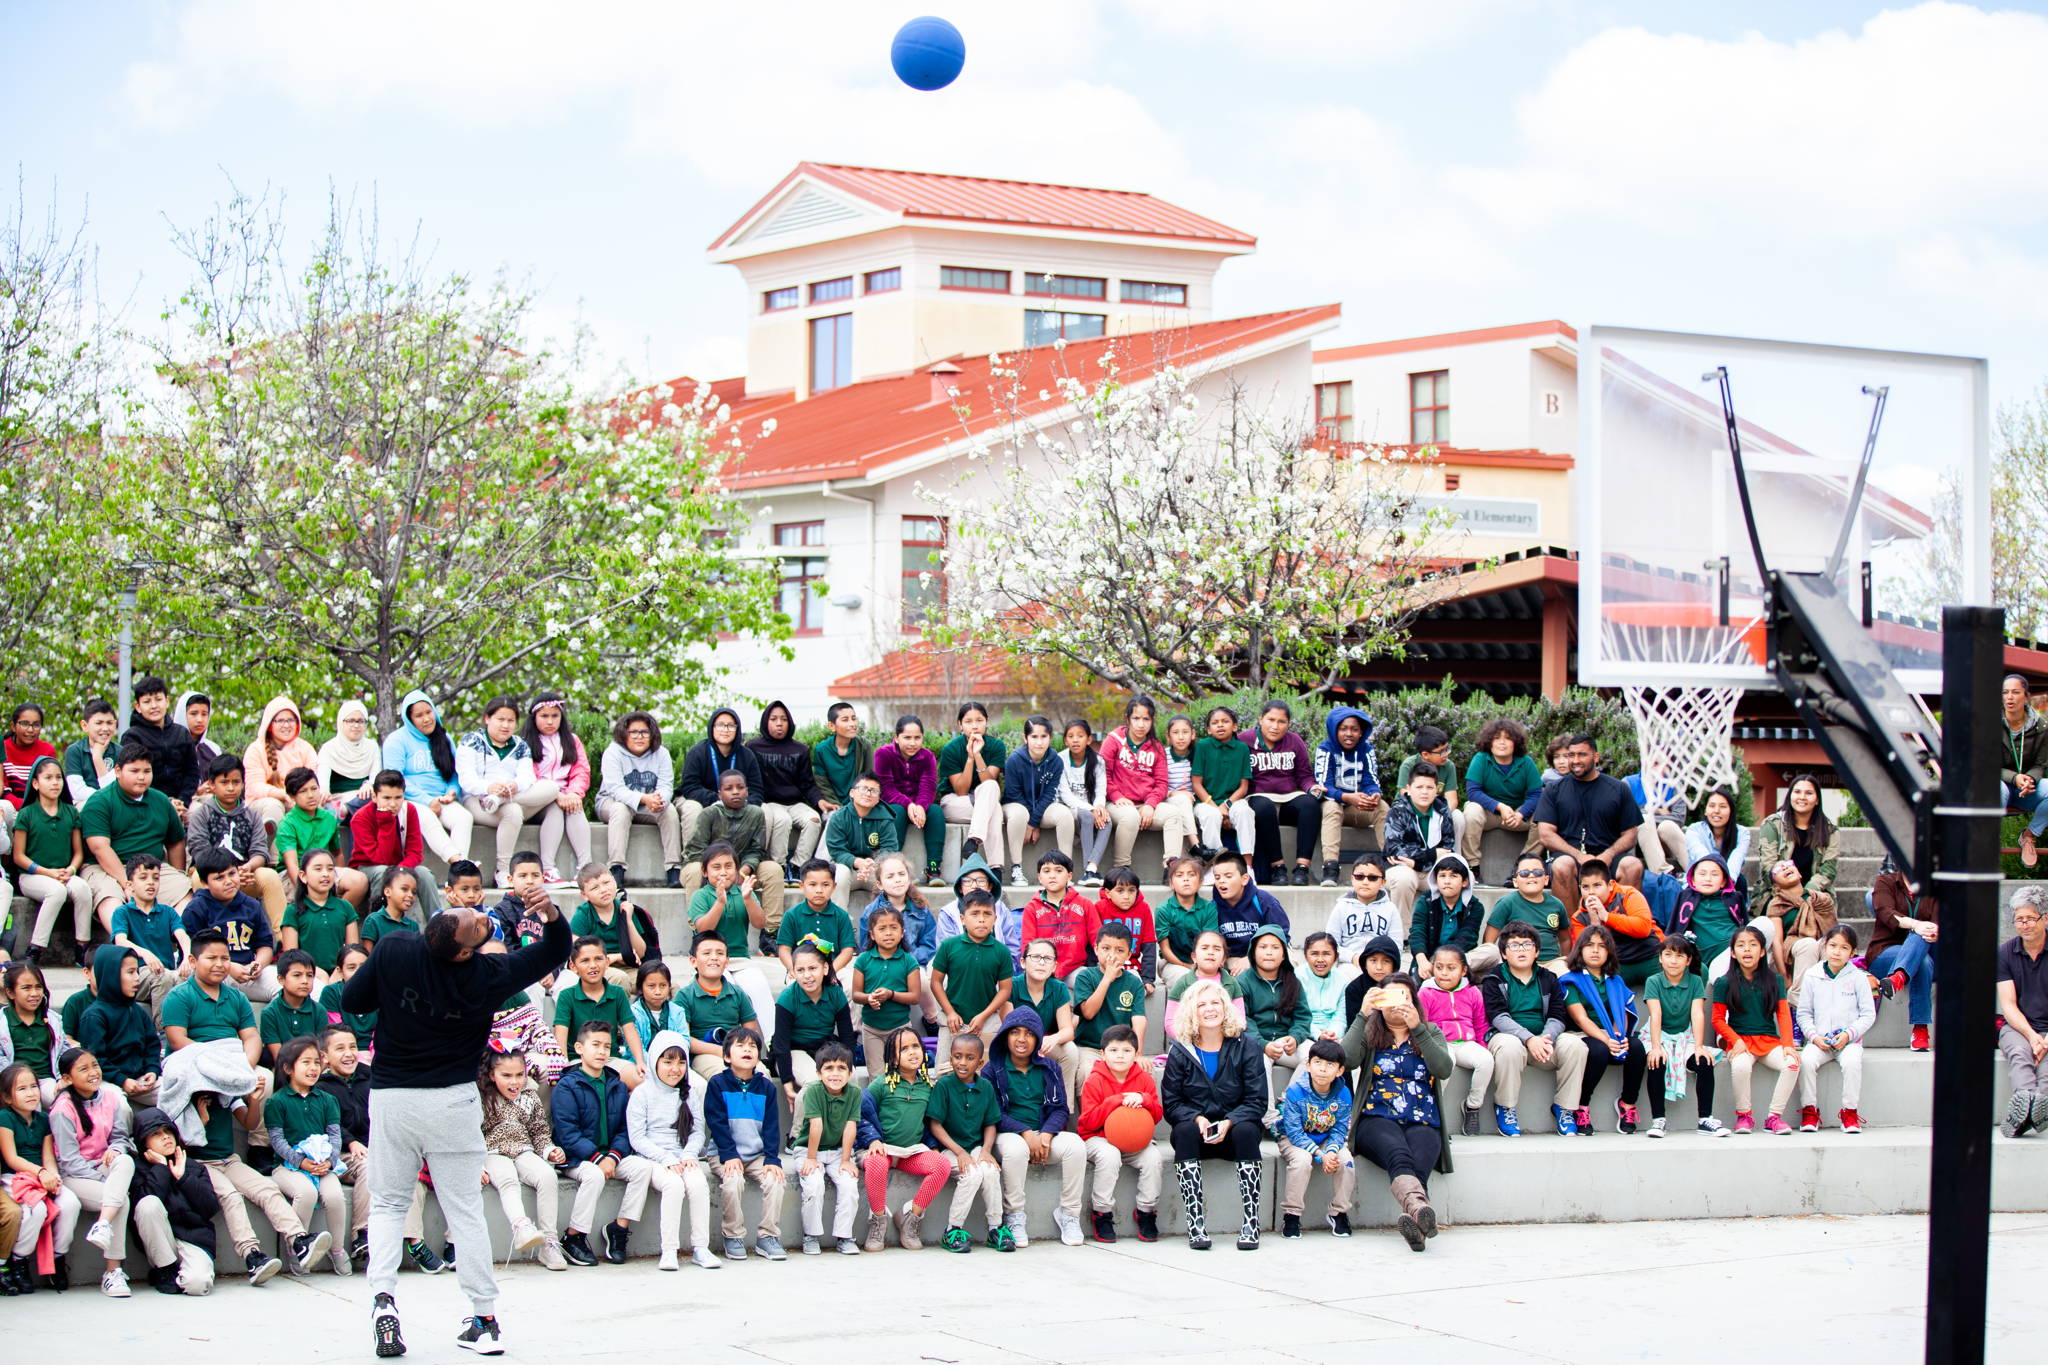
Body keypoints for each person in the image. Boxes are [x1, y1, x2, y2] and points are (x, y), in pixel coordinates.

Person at [338, 872, 570, 1358]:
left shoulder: (395, 948)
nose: (477, 913)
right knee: (463, 1208)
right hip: (451, 1100)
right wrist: (549, 913)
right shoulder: (487, 976)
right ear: (465, 950)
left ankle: (383, 1302)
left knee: (387, 1204)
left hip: (394, 1096)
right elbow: (552, 951)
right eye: (474, 921)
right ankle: (484, 1318)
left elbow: (353, 1001)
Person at [1339, 971, 1451, 1251]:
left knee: (1420, 1161)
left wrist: (1419, 1029)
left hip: (1423, 1118)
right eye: (1389, 997)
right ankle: (1419, 1209)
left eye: (1403, 996)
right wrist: (1362, 1015)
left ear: (1413, 1001)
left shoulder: (1430, 1031)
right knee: (1399, 1154)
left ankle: (1415, 1218)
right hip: (1376, 1117)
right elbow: (1347, 1060)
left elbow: (1443, 1068)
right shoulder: (1370, 1031)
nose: (1396, 1004)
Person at [187, 1078, 329, 1286]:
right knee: (230, 1196)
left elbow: (250, 1123)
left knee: (267, 1188)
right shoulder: (186, 1093)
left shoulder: (227, 1093)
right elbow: (179, 1141)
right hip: (202, 1163)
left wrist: (253, 1101)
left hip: (229, 1160)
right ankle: (251, 1255)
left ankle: (299, 1240)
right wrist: (201, 1121)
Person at [1161, 978, 1266, 1251]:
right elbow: (1171, 1104)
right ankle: (1196, 1224)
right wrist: (1198, 1119)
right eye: (1202, 1004)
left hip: (1235, 1131)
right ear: (1191, 1011)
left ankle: (1250, 1223)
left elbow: (1257, 1100)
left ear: (1226, 1007)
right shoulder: (1181, 1051)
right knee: (1182, 1131)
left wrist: (1230, 1121)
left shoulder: (1247, 1046)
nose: (1210, 1009)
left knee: (1247, 1130)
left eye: (1215, 1002)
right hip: (1198, 1133)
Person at [550, 1019, 651, 1266]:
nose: (602, 1051)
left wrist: (613, 1156)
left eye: (607, 1046)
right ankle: (573, 1236)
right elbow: (567, 1134)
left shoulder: (616, 1084)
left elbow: (625, 1130)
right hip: (576, 1158)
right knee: (594, 1175)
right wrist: (597, 1159)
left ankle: (618, 1228)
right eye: (595, 1045)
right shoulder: (567, 1086)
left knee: (643, 1169)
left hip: (610, 1156)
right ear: (579, 1048)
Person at [985, 1004, 1086, 1248]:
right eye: (1015, 1032)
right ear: (1005, 1036)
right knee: (1016, 1149)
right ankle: (1015, 1216)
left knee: (1075, 1146)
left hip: (1043, 1136)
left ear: (1038, 1039)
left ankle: (1069, 1214)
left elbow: (1061, 1108)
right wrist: (1026, 1133)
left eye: (1029, 1034)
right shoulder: (993, 1070)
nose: (1022, 1039)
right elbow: (994, 1113)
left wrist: (1047, 1135)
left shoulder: (1050, 1067)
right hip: (1008, 1136)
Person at [1480, 922, 1588, 1137]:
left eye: (1527, 944)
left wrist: (1543, 1039)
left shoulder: (1549, 978)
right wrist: (1530, 1039)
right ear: (1503, 953)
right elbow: (1498, 1017)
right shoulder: (1494, 978)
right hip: (1511, 1041)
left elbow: (1558, 1016)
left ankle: (1565, 1108)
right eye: (1514, 945)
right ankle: (1506, 1107)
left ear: (1537, 951)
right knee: (1509, 1046)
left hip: (1544, 1043)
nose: (1521, 950)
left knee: (1576, 1045)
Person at [623, 1031, 716, 1271]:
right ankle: (669, 1250)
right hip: (653, 1158)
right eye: (667, 1062)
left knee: (697, 1184)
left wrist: (688, 1155)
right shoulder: (642, 1093)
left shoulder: (689, 1093)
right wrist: (665, 1158)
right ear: (654, 1061)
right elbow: (637, 1137)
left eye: (681, 1062)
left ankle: (700, 1248)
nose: (675, 1068)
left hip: (682, 1157)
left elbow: (697, 1132)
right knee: (673, 1185)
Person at [48, 1045, 135, 1296]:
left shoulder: (110, 1097)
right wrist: (105, 1182)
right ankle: (113, 1273)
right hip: (76, 1176)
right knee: (121, 1201)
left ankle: (102, 1226)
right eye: (83, 1069)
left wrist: (116, 1150)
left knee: (125, 1161)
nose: (93, 1072)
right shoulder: (62, 1109)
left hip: (106, 1167)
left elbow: (120, 1137)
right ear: (67, 1078)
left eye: (95, 1065)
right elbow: (69, 1161)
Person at [80, 743, 193, 934]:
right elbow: (99, 847)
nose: (141, 777)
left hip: (151, 865)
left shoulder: (161, 801)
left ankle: (179, 942)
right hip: (105, 868)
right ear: (118, 771)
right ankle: (127, 944)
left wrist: (178, 872)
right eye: (134, 771)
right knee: (109, 898)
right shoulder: (100, 801)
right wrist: (127, 883)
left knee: (182, 890)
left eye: (146, 771)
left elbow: (175, 842)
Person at [476, 1047, 571, 1272]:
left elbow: (539, 1131)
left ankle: (548, 1243)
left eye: (520, 1075)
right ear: (491, 1075)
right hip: (493, 1152)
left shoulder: (529, 1097)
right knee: (507, 1179)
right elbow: (473, 1134)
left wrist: (549, 1151)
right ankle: (521, 1227)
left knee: (547, 1175)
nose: (515, 1082)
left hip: (523, 1150)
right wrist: (477, 1165)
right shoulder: (483, 1098)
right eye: (506, 1076)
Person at [857, 1023, 950, 1252]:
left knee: (942, 1165)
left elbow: (931, 1122)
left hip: (911, 1151)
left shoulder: (928, 1086)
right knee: (876, 1164)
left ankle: (911, 1217)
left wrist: (933, 1146)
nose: (912, 1052)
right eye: (904, 1049)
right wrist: (873, 1140)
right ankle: (878, 1220)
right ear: (893, 1058)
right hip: (883, 1148)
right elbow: (861, 1114)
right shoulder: (882, 1083)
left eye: (915, 1046)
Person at [265, 1034, 351, 1274]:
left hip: (323, 1164)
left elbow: (335, 1135)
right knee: (306, 1192)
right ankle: (297, 1248)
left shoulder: (327, 1100)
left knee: (334, 1196)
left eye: (316, 1062)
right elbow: (278, 1141)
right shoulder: (277, 1102)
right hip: (288, 1166)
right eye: (306, 1062)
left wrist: (330, 1161)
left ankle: (337, 1250)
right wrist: (301, 1162)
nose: (313, 1068)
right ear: (288, 1068)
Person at [703, 1024, 787, 1260]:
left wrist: (772, 1158)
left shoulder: (767, 1088)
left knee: (775, 1180)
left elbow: (772, 1127)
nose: (747, 1049)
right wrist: (729, 1155)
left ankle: (768, 1236)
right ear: (727, 1056)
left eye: (752, 1046)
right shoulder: (717, 1084)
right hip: (724, 1153)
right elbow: (716, 1123)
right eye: (740, 1046)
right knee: (732, 1182)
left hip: (757, 1155)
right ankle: (733, 1235)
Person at [454, 696, 557, 888]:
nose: (505, 725)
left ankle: (499, 799)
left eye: (510, 721)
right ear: (487, 718)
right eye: (500, 719)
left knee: (551, 788)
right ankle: (503, 871)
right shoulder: (471, 741)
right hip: (478, 802)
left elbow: (527, 777)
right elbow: (466, 780)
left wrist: (513, 786)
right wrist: (488, 787)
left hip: (509, 798)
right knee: (514, 812)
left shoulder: (520, 745)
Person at [1074, 1024, 1163, 1243]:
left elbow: (1157, 1115)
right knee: (1109, 1155)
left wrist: (1145, 1100)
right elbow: (1087, 1120)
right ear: (1103, 1054)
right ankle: (1102, 1213)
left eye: (1126, 1051)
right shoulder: (1094, 1080)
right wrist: (1114, 1102)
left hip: (1134, 1141)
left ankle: (1146, 1211)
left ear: (1136, 1054)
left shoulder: (1144, 1080)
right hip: (1098, 1139)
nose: (1120, 1056)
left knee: (1153, 1158)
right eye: (1114, 1051)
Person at [923, 1030, 1007, 1253]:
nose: (962, 1062)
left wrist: (987, 1151)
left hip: (977, 1146)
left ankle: (996, 1228)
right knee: (972, 1175)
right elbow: (935, 1125)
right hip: (950, 1147)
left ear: (980, 1063)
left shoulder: (986, 1087)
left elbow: (991, 1123)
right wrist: (960, 1152)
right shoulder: (944, 1085)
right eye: (958, 1056)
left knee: (989, 1171)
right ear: (950, 1059)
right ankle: (953, 1229)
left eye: (970, 1058)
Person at [186, 754, 288, 936]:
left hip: (245, 874)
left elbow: (260, 851)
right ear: (211, 784)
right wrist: (227, 874)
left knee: (270, 876)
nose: (231, 788)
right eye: (224, 782)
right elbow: (199, 851)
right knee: (196, 879)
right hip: (210, 876)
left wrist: (246, 868)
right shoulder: (202, 814)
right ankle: (205, 937)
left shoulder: (252, 815)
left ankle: (282, 940)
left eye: (236, 782)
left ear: (243, 783)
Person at [1750, 774, 1840, 980]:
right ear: (1790, 795)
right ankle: (1785, 973)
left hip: (1813, 894)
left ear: (1817, 799)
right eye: (1797, 792)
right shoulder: (1773, 824)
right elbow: (1768, 867)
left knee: (1817, 917)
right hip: (1776, 892)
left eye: (1809, 793)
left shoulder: (1830, 830)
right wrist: (1788, 891)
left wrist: (1805, 895)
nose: (1802, 797)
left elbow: (1828, 870)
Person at [1559, 924, 1646, 1135]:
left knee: (1636, 1047)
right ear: (1579, 949)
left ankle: (1627, 1104)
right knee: (1597, 1050)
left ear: (1609, 952)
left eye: (1601, 946)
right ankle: (1582, 1106)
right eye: (1589, 945)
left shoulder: (1615, 981)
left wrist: (1619, 1037)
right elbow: (1580, 1018)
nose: (1595, 950)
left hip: (1612, 1035)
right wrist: (1606, 1040)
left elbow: (1622, 1011)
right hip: (1583, 1035)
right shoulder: (1571, 980)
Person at [128, 1104, 223, 1295]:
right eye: (156, 1134)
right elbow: (144, 1207)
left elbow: (210, 1208)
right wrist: (161, 1168)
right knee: (148, 1204)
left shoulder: (192, 1166)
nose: (165, 1137)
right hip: (161, 1241)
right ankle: (165, 1270)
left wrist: (183, 1178)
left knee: (197, 1285)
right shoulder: (137, 1169)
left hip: (194, 1239)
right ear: (143, 1142)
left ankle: (177, 1274)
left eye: (168, 1131)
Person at [1532, 733, 1640, 901]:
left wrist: (1608, 855)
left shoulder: (1619, 789)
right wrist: (1579, 856)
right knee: (1561, 865)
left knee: (1633, 865)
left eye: (1582, 754)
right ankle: (1570, 927)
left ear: (1596, 757)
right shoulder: (1554, 790)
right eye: (1571, 755)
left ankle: (1621, 925)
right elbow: (1546, 835)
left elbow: (1631, 835)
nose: (1575, 760)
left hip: (1608, 857)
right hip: (1570, 857)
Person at [1714, 925, 1799, 1135]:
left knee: (1792, 1064)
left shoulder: (1776, 980)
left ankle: (1774, 1117)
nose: (1747, 950)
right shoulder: (1724, 982)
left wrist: (1788, 1044)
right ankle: (1744, 1116)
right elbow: (1717, 1019)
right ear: (1733, 952)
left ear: (1762, 951)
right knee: (1741, 1066)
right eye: (1741, 945)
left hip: (1769, 1041)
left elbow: (1783, 1014)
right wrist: (1736, 1041)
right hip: (1740, 1042)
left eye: (1753, 945)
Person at [683, 772, 787, 945]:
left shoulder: (755, 813)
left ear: (747, 791)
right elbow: (695, 850)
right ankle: (698, 932)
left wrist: (744, 869)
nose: (735, 792)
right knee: (694, 870)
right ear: (719, 794)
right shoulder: (709, 814)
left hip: (741, 868)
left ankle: (770, 933)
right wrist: (716, 870)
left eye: (740, 788)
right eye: (729, 788)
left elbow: (757, 849)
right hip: (708, 868)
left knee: (773, 870)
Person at [1642, 936, 1725, 1138]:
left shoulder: (1695, 981)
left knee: (1704, 1061)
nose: (1673, 960)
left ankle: (1705, 1119)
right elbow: (1656, 1014)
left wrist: (1698, 1046)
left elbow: (1697, 1013)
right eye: (1668, 955)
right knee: (1657, 1060)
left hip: (1684, 1036)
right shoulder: (1653, 981)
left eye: (1679, 956)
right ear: (1660, 958)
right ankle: (1658, 1120)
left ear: (1688, 960)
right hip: (1657, 1033)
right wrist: (1655, 1046)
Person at [380, 689, 474, 868]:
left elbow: (454, 774)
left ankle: (457, 876)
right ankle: (459, 865)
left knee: (464, 818)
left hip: (442, 798)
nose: (426, 719)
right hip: (410, 800)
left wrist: (451, 792)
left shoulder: (444, 737)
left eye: (429, 712)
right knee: (426, 817)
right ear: (409, 719)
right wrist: (427, 800)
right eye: (419, 715)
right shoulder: (396, 741)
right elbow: (394, 780)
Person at [1795, 924, 1875, 1133]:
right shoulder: (1812, 975)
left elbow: (1868, 1014)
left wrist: (1848, 1035)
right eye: (1832, 945)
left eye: (1844, 947)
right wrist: (1814, 1037)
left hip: (1848, 1042)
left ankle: (1849, 1113)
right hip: (1820, 1041)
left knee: (1851, 1063)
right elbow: (1803, 1013)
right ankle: (1810, 1111)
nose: (1837, 952)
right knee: (1806, 1060)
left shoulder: (1858, 977)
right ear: (1824, 946)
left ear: (1853, 952)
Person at [793, 1039, 870, 1256]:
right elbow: (815, 1126)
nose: (835, 1074)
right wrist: (810, 1158)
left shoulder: (854, 1093)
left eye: (841, 1068)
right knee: (814, 1184)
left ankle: (845, 1237)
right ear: (818, 1073)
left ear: (850, 1072)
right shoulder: (814, 1091)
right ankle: (811, 1236)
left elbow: (850, 1127)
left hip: (838, 1151)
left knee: (849, 1185)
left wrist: (846, 1160)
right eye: (828, 1068)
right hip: (809, 1149)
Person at [1276, 1038, 1354, 1239]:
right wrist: (1320, 1156)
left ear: (1339, 1071)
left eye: (1330, 1065)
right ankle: (1292, 1214)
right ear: (1307, 1065)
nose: (1322, 1069)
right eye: (1318, 1062)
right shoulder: (1296, 1091)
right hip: (1294, 1140)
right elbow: (1294, 1132)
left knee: (1346, 1161)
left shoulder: (1343, 1093)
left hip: (1327, 1138)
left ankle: (1339, 1212)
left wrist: (1331, 1151)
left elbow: (1339, 1128)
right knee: (1302, 1161)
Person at [13, 756, 88, 962]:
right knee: (56, 891)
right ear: (35, 783)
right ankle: (35, 949)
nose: (55, 782)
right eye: (48, 778)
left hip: (64, 873)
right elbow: (18, 856)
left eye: (58, 777)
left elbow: (78, 853)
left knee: (82, 889)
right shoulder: (26, 814)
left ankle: (82, 948)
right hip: (32, 876)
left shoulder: (71, 812)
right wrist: (48, 873)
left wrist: (71, 870)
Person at [596, 710, 682, 890]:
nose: (639, 736)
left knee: (669, 810)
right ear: (623, 733)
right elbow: (615, 788)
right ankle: (616, 868)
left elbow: (666, 785)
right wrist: (643, 798)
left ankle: (674, 868)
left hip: (648, 805)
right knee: (620, 809)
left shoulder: (662, 754)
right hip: (610, 802)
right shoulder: (613, 753)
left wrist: (660, 800)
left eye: (644, 732)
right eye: (633, 732)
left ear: (652, 734)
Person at [180, 849, 279, 1003]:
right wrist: (229, 967)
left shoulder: (251, 905)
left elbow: (264, 945)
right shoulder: (196, 908)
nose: (228, 881)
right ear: (205, 883)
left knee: (287, 984)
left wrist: (258, 964)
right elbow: (195, 954)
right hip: (213, 973)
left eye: (232, 873)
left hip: (247, 972)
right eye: (219, 878)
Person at [159, 928, 262, 1071]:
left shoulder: (238, 997)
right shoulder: (179, 996)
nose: (219, 964)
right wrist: (215, 1060)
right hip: (193, 1060)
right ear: (192, 961)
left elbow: (251, 1037)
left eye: (225, 959)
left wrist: (247, 1066)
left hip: (233, 1059)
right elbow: (177, 1040)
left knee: (266, 1079)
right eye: (211, 958)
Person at [1241, 700, 1319, 887]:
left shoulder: (1294, 741)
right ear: (1261, 719)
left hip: (1288, 797)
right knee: (1263, 806)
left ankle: (1302, 868)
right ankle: (1278, 867)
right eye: (1271, 720)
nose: (1275, 726)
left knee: (1310, 805)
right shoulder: (1244, 740)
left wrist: (1312, 788)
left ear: (1288, 724)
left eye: (1281, 722)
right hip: (1258, 797)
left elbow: (1304, 775)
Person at [348, 769, 443, 918]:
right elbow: (380, 858)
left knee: (425, 874)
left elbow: (415, 852)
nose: (393, 804)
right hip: (369, 868)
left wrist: (400, 871)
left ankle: (437, 924)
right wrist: (385, 822)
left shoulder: (409, 810)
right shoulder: (360, 819)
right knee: (382, 872)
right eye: (386, 798)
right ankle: (377, 924)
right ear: (374, 797)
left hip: (399, 865)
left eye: (398, 797)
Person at [1417, 945, 1491, 1136]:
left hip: (1466, 1043)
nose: (1444, 973)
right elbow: (1421, 1026)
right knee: (1445, 1065)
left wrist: (1482, 1046)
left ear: (1463, 970)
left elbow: (1480, 1023)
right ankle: (1433, 1113)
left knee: (1486, 1061)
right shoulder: (1426, 993)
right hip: (1440, 1043)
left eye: (1451, 968)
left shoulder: (1473, 992)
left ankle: (1472, 1107)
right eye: (1439, 967)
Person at [1867, 858, 1938, 1054]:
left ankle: (1898, 977)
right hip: (1886, 952)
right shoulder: (1885, 882)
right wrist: (1916, 925)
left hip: (1929, 949)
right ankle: (1920, 1029)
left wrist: (1932, 930)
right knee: (1921, 959)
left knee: (1922, 949)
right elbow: (1885, 912)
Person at [931, 893, 1013, 1060]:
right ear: (962, 918)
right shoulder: (949, 946)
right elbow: (935, 982)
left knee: (984, 1073)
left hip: (987, 1022)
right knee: (944, 1072)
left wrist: (984, 1016)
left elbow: (1005, 990)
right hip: (952, 1022)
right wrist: (950, 1012)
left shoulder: (1001, 951)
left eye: (987, 914)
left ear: (995, 918)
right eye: (975, 914)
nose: (981, 919)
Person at [522, 691, 592, 885]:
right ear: (534, 717)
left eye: (555, 716)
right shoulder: (525, 743)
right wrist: (555, 795)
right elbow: (528, 775)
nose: (550, 721)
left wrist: (574, 793)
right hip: (539, 798)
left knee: (575, 808)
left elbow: (581, 769)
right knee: (554, 810)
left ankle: (586, 868)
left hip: (568, 795)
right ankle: (548, 868)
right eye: (544, 716)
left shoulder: (572, 740)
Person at [1238, 925, 1309, 1118]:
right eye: (1263, 947)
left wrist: (1295, 1037)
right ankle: (1269, 1118)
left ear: (1284, 954)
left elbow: (1303, 1016)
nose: (1269, 952)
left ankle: (1287, 1102)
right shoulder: (1243, 981)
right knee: (1259, 1060)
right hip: (1258, 1043)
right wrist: (1263, 1044)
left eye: (1275, 947)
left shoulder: (1293, 980)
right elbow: (1243, 1019)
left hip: (1287, 1042)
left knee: (1314, 1055)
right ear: (1253, 952)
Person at [76, 947, 162, 1107]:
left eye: (137, 971)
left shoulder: (137, 1011)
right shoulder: (94, 1016)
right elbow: (95, 1059)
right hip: (108, 1080)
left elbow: (152, 1045)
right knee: (119, 1106)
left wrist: (152, 1070)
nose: (137, 978)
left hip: (140, 1078)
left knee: (176, 1094)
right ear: (111, 976)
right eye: (130, 972)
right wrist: (122, 1080)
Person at [1312, 705, 1386, 889]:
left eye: (1354, 729)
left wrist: (1374, 794)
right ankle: (1330, 867)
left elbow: (1370, 780)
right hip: (1334, 805)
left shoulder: (1367, 750)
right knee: (1331, 807)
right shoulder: (1325, 749)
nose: (1349, 734)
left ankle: (1391, 859)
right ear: (1335, 729)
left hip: (1357, 807)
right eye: (1343, 729)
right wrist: (1347, 797)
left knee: (1383, 807)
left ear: (1361, 732)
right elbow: (1325, 786)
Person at [771, 942, 857, 1099]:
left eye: (812, 968)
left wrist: (849, 1067)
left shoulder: (835, 993)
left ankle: (850, 1122)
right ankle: (802, 1125)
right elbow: (781, 1044)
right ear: (793, 973)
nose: (807, 975)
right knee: (813, 1082)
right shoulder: (788, 998)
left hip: (824, 1047)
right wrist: (787, 1084)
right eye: (800, 970)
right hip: (794, 1050)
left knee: (850, 1078)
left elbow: (847, 1036)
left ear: (824, 969)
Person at [748, 700, 823, 877]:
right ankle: (778, 866)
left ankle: (798, 866)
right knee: (782, 819)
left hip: (795, 803)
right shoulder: (753, 747)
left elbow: (807, 784)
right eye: (774, 719)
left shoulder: (800, 749)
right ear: (766, 721)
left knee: (814, 820)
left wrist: (820, 802)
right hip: (770, 802)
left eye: (783, 719)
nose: (779, 723)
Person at [1460, 718, 1543, 876]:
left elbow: (1536, 794)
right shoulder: (1481, 759)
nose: (1502, 743)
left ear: (1516, 742)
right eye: (1497, 738)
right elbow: (1473, 792)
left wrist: (1521, 813)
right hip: (1488, 814)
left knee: (1543, 816)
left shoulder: (1526, 763)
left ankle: (1524, 865)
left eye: (1507, 738)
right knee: (1471, 810)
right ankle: (1473, 866)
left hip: (1516, 817)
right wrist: (1500, 807)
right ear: (1489, 742)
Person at [1997, 884, 2048, 1139]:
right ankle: (2029, 1105)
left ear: (2045, 918)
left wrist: (2046, 1038)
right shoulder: (2005, 953)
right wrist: (2031, 1036)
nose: (2024, 924)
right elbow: (2008, 1005)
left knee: (2047, 1065)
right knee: (2019, 1052)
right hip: (2019, 1026)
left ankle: (2028, 1112)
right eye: (2019, 919)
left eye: (2030, 919)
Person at [277, 769, 369, 909]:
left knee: (359, 881)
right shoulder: (287, 824)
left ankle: (337, 918)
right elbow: (292, 865)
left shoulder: (328, 818)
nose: (311, 795)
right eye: (303, 791)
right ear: (292, 796)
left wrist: (336, 878)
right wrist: (309, 891)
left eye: (314, 789)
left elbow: (337, 853)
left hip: (324, 869)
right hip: (296, 875)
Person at [109, 855, 187, 1017]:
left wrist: (187, 956)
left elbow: (182, 935)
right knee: (161, 978)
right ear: (130, 886)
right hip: (138, 975)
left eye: (156, 878)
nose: (151, 882)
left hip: (167, 972)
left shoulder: (168, 911)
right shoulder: (122, 912)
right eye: (143, 878)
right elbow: (120, 940)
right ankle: (164, 1033)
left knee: (186, 978)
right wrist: (145, 953)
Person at [1001, 715, 1073, 888]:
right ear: (1025, 738)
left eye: (1043, 737)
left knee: (1064, 814)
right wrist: (1031, 822)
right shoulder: (1014, 760)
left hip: (1042, 806)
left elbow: (1049, 794)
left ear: (1050, 737)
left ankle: (1066, 870)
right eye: (1034, 737)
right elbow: (1014, 793)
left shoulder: (1055, 761)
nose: (1039, 742)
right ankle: (1016, 868)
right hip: (1016, 804)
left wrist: (1033, 823)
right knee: (1019, 814)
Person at [849, 907, 921, 1076]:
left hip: (900, 1028)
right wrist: (869, 998)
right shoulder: (863, 960)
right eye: (882, 928)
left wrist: (891, 994)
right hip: (872, 1029)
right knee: (877, 1077)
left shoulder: (908, 961)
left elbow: (915, 996)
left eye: (893, 928)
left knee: (904, 1074)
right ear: (872, 935)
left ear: (902, 932)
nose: (888, 933)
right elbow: (856, 995)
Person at [678, 933, 760, 1082]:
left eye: (720, 953)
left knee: (762, 1074)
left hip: (738, 1050)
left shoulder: (737, 993)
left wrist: (740, 1050)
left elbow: (752, 1031)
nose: (714, 957)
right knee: (723, 1076)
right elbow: (684, 1038)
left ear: (727, 962)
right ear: (693, 961)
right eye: (707, 953)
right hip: (704, 1055)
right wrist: (722, 1051)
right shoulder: (684, 996)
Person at [938, 700, 1009, 872]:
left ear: (986, 722)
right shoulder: (951, 749)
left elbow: (988, 782)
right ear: (960, 725)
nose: (974, 726)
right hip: (957, 803)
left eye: (979, 720)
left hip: (983, 801)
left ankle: (974, 841)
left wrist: (978, 755)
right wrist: (970, 758)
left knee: (992, 787)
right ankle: (996, 870)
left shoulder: (996, 746)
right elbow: (961, 790)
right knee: (994, 811)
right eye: (968, 722)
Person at [1101, 696, 1168, 876]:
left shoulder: (1156, 747)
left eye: (1146, 719)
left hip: (1145, 803)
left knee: (1173, 815)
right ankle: (1121, 869)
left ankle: (1172, 867)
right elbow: (1102, 774)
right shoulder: (1114, 739)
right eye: (1136, 718)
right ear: (1127, 718)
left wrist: (1150, 804)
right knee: (1130, 816)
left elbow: (1162, 783)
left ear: (1152, 721)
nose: (1141, 724)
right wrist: (1116, 796)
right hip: (1117, 803)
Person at [1569, 857, 1661, 987]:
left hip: (1651, 956)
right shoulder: (1579, 917)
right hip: (1617, 964)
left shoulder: (1628, 895)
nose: (1591, 892)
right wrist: (1595, 923)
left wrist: (1606, 916)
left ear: (1610, 885)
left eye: (1597, 885)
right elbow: (1587, 955)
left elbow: (1643, 928)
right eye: (1585, 887)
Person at [677, 707, 763, 845]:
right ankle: (692, 858)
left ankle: (759, 858)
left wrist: (743, 803)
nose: (726, 729)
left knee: (765, 813)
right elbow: (690, 786)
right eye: (720, 725)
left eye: (731, 725)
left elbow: (756, 790)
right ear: (712, 727)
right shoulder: (698, 752)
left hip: (739, 801)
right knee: (691, 809)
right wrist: (719, 799)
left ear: (737, 729)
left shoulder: (747, 755)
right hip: (702, 799)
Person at [875, 715, 944, 885]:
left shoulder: (927, 756)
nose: (912, 743)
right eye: (907, 738)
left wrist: (920, 806)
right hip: (892, 803)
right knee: (897, 811)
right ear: (896, 738)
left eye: (917, 738)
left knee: (935, 812)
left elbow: (928, 786)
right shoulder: (883, 754)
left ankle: (933, 869)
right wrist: (909, 805)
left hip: (918, 803)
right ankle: (890, 868)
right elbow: (886, 788)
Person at [1071, 923, 1145, 1080]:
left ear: (1128, 955)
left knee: (1143, 1072)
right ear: (1096, 949)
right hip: (1090, 1047)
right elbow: (1088, 1013)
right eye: (1106, 948)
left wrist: (1137, 1053)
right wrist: (1107, 978)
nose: (1112, 955)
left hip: (1122, 1047)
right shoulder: (1086, 977)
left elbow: (1138, 1020)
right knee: (1088, 1072)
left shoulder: (1134, 983)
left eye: (1120, 950)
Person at [1382, 762, 1456, 919]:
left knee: (1457, 879)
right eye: (1419, 787)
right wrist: (1431, 854)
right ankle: (1401, 936)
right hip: (1401, 869)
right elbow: (1394, 850)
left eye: (1430, 788)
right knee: (1404, 879)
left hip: (1430, 871)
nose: (1424, 792)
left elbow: (1447, 849)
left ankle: (1446, 935)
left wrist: (1417, 862)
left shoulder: (1442, 810)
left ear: (1437, 790)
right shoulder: (1397, 811)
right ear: (1408, 789)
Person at [1010, 937, 1080, 1100]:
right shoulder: (1013, 986)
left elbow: (1068, 1031)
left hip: (1045, 1045)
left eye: (1048, 959)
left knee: (1070, 1050)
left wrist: (1053, 1039)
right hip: (1017, 1044)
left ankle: (1064, 1107)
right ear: (1023, 962)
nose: (1041, 963)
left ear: (1054, 965)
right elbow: (1008, 1028)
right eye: (1035, 957)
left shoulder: (1058, 987)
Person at [1477, 852, 1568, 975]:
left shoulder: (1556, 904)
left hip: (1551, 962)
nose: (1531, 876)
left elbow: (1565, 939)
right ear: (1515, 881)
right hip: (1517, 960)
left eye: (1537, 873)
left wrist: (1566, 959)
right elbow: (1489, 940)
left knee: (1566, 975)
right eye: (1524, 873)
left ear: (1546, 879)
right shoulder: (1507, 903)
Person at [243, 695, 321, 834]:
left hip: (297, 800)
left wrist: (296, 797)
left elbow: (311, 782)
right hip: (262, 804)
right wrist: (283, 794)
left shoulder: (305, 749)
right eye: (280, 721)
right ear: (270, 724)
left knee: (312, 808)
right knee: (274, 806)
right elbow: (255, 787)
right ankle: (273, 853)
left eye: (290, 720)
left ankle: (311, 854)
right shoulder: (255, 750)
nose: (286, 725)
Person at [121, 677, 198, 814]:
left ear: (167, 701)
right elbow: (136, 776)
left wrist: (182, 800)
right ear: (138, 707)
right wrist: (167, 802)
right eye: (147, 701)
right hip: (147, 801)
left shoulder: (182, 733)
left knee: (200, 812)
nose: (154, 706)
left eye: (158, 699)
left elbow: (191, 772)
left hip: (183, 802)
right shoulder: (132, 737)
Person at [568, 863, 650, 989]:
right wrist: (612, 958)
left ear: (614, 881)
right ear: (584, 895)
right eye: (595, 888)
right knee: (620, 979)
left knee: (663, 982)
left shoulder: (624, 908)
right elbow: (576, 952)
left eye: (606, 883)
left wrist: (628, 920)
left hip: (628, 967)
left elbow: (640, 952)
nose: (603, 890)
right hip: (598, 968)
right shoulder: (584, 914)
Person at [824, 772, 899, 909]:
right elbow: (837, 850)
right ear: (852, 793)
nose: (868, 793)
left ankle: (887, 922)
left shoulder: (885, 819)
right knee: (839, 872)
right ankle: (840, 924)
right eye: (863, 788)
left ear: (878, 798)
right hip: (849, 871)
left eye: (873, 790)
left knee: (893, 874)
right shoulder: (839, 818)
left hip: (874, 871)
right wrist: (857, 862)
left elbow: (890, 850)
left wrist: (872, 865)